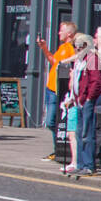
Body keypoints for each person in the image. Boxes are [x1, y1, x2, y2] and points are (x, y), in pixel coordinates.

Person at [36, 21, 77, 160]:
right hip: (51, 88)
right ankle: (57, 150)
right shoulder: (63, 47)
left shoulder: (71, 48)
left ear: (69, 33)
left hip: (57, 90)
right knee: (52, 122)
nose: (59, 33)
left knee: (52, 121)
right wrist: (44, 48)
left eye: (61, 30)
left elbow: (67, 68)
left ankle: (59, 150)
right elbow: (54, 62)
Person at [64, 32, 101, 176]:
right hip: (78, 101)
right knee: (80, 133)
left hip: (87, 101)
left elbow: (96, 82)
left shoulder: (92, 58)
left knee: (87, 133)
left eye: (79, 46)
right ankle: (80, 164)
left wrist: (88, 98)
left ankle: (89, 165)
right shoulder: (80, 59)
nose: (76, 49)